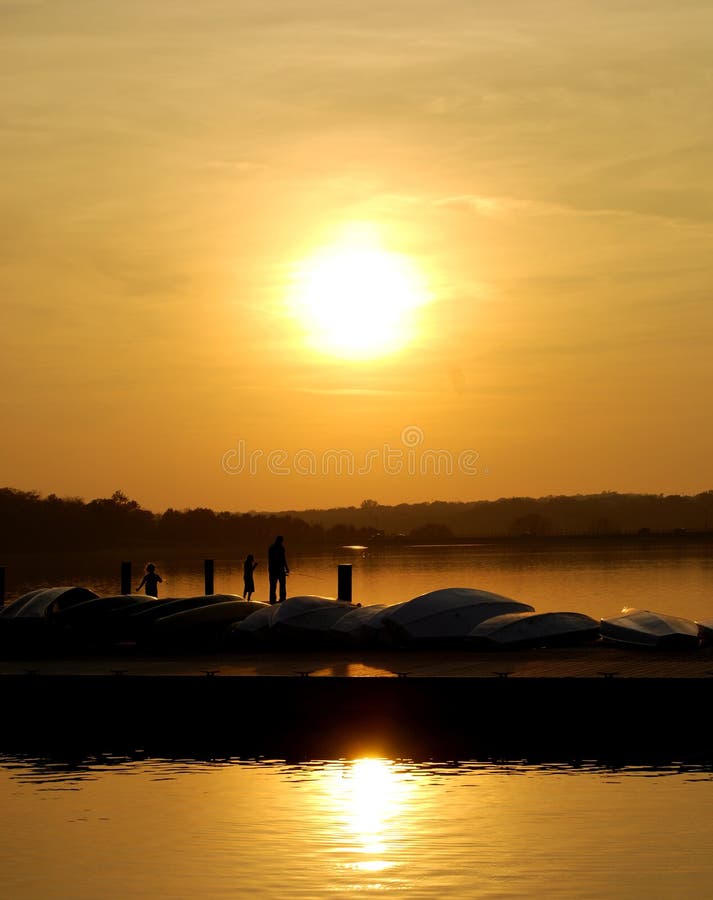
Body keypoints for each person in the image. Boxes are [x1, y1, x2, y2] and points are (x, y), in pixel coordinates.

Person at [267, 535, 289, 604]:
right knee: (282, 585)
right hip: (279, 570)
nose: (282, 542)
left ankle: (272, 601)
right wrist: (287, 568)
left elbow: (270, 560)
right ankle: (282, 600)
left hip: (272, 570)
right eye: (281, 541)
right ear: (280, 541)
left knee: (273, 586)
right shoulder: (281, 548)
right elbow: (283, 559)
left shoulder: (271, 548)